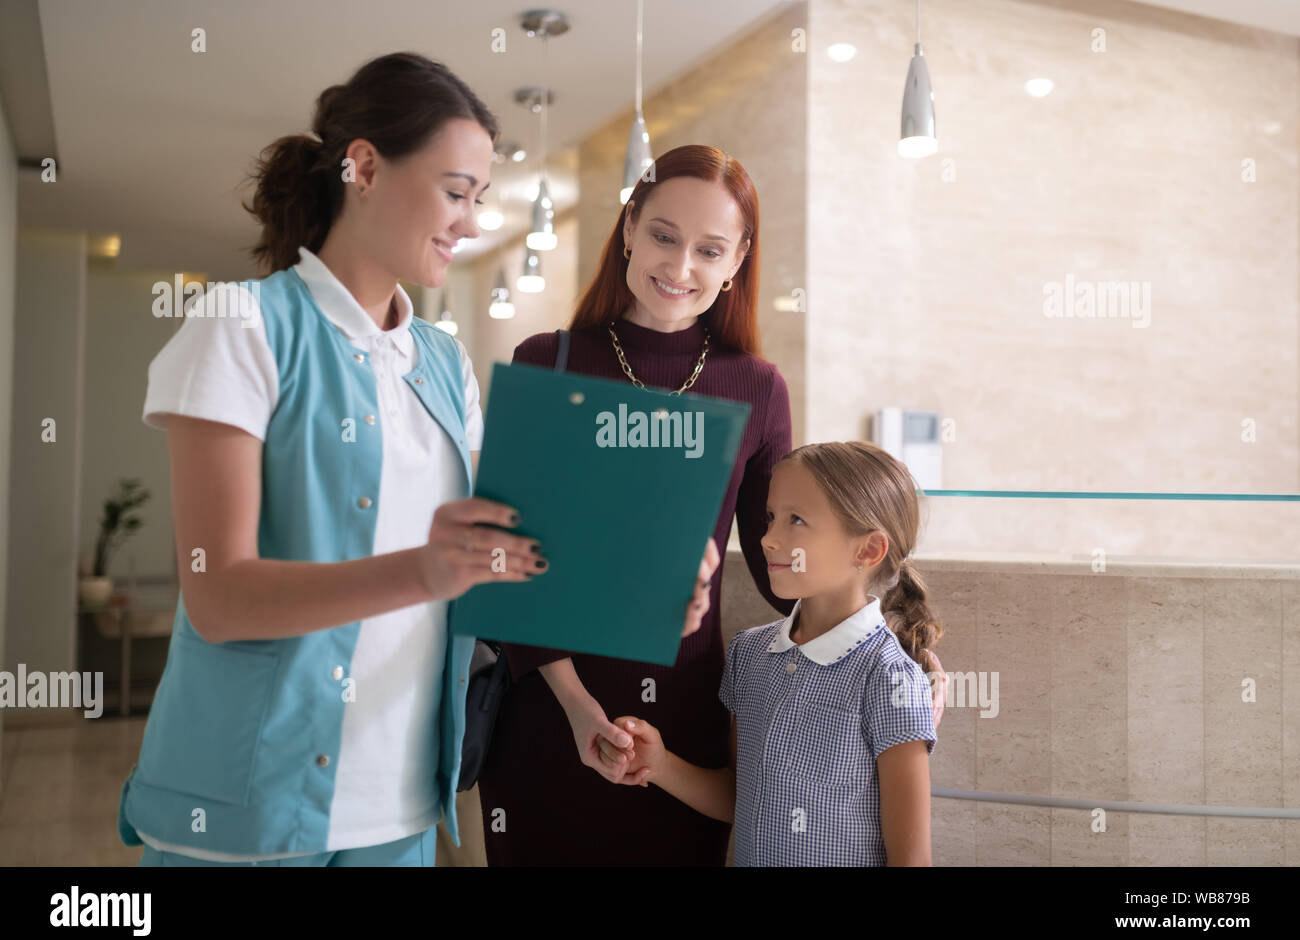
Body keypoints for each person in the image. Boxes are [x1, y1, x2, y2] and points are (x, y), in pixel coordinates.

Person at [117, 52, 549, 866]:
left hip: (401, 811)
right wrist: (425, 569)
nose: (469, 220)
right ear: (364, 167)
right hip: (250, 810)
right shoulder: (242, 326)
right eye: (455, 191)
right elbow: (218, 594)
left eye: (478, 199)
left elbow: (497, 560)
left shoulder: (444, 364)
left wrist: (651, 577)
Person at [475, 145, 798, 865]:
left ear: (737, 259)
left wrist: (897, 635)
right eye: (662, 236)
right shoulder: (546, 359)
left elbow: (785, 574)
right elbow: (502, 557)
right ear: (628, 228)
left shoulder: (757, 387)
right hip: (547, 718)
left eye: (709, 249)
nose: (680, 267)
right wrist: (575, 705)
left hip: (682, 730)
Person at [615, 440, 944, 865]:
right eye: (771, 517)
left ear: (867, 550)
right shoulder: (749, 654)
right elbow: (745, 796)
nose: (768, 539)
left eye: (797, 520)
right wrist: (659, 764)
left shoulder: (890, 679)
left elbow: (912, 860)